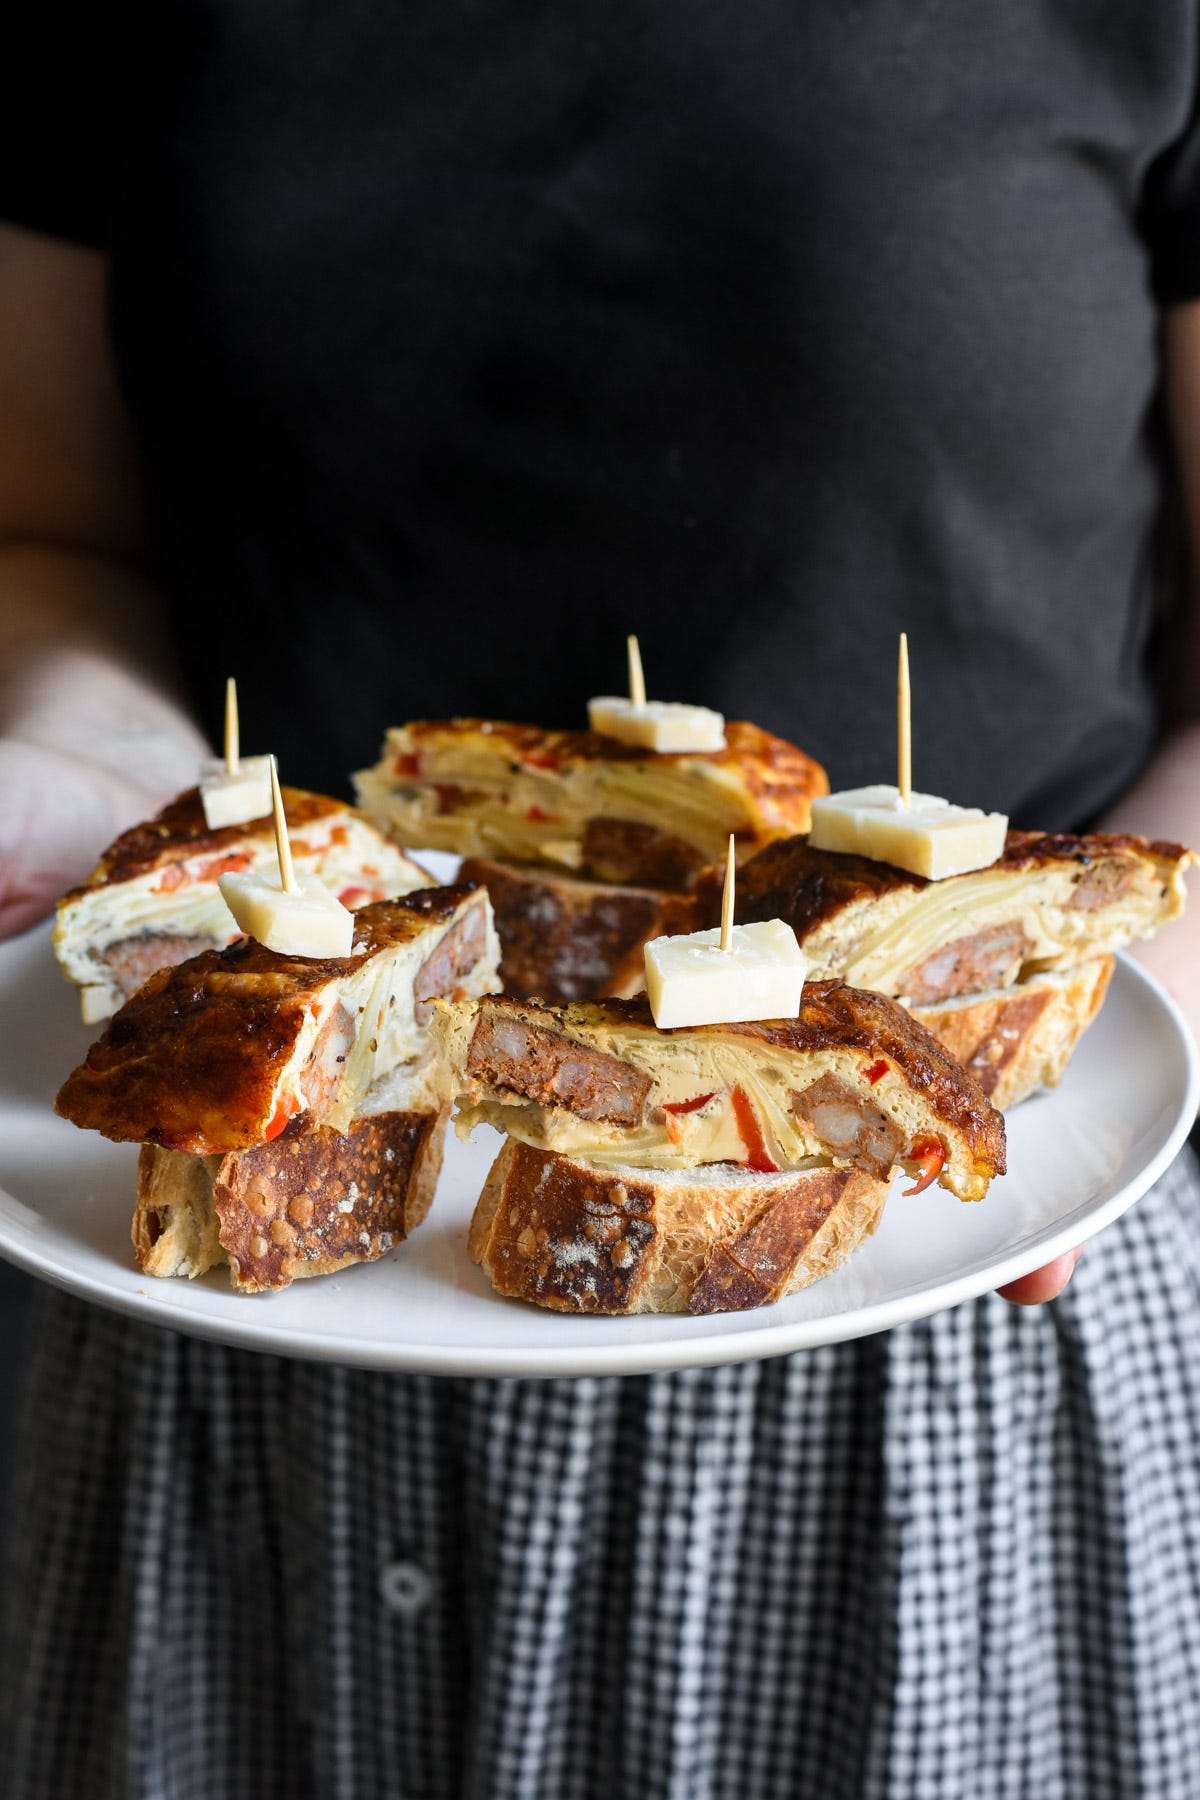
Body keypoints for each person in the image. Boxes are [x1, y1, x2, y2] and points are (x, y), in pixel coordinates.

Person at [2, 6, 1200, 1795]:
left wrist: (1111, 993)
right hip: (224, 1378)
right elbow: (61, 534)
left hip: (932, 1373)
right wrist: (85, 781)